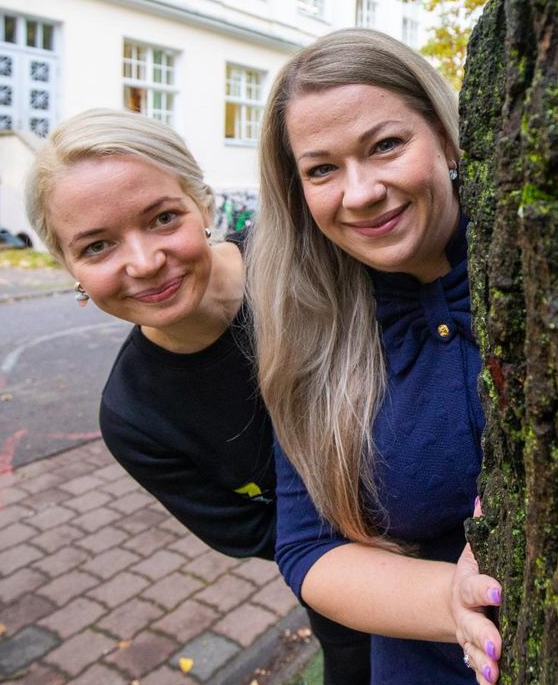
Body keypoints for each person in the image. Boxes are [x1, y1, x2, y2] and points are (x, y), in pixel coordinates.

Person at [24, 108, 369, 685]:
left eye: (162, 218)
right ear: (67, 266)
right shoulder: (135, 418)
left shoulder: (311, 256)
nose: (144, 261)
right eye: (96, 247)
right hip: (357, 596)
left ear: (203, 204)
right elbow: (260, 534)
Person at [248, 29, 504, 685]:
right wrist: (448, 599)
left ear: (446, 136)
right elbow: (309, 547)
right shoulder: (311, 328)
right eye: (322, 168)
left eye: (385, 145)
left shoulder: (539, 256)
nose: (360, 191)